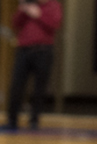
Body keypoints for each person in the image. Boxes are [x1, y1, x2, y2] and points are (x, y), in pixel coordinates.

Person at [7, 0, 62, 130]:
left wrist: (38, 15)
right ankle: (12, 120)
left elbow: (54, 24)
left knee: (40, 88)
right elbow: (15, 23)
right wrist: (23, 11)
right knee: (16, 85)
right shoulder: (27, 5)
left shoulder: (53, 5)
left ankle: (34, 120)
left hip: (43, 51)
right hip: (24, 50)